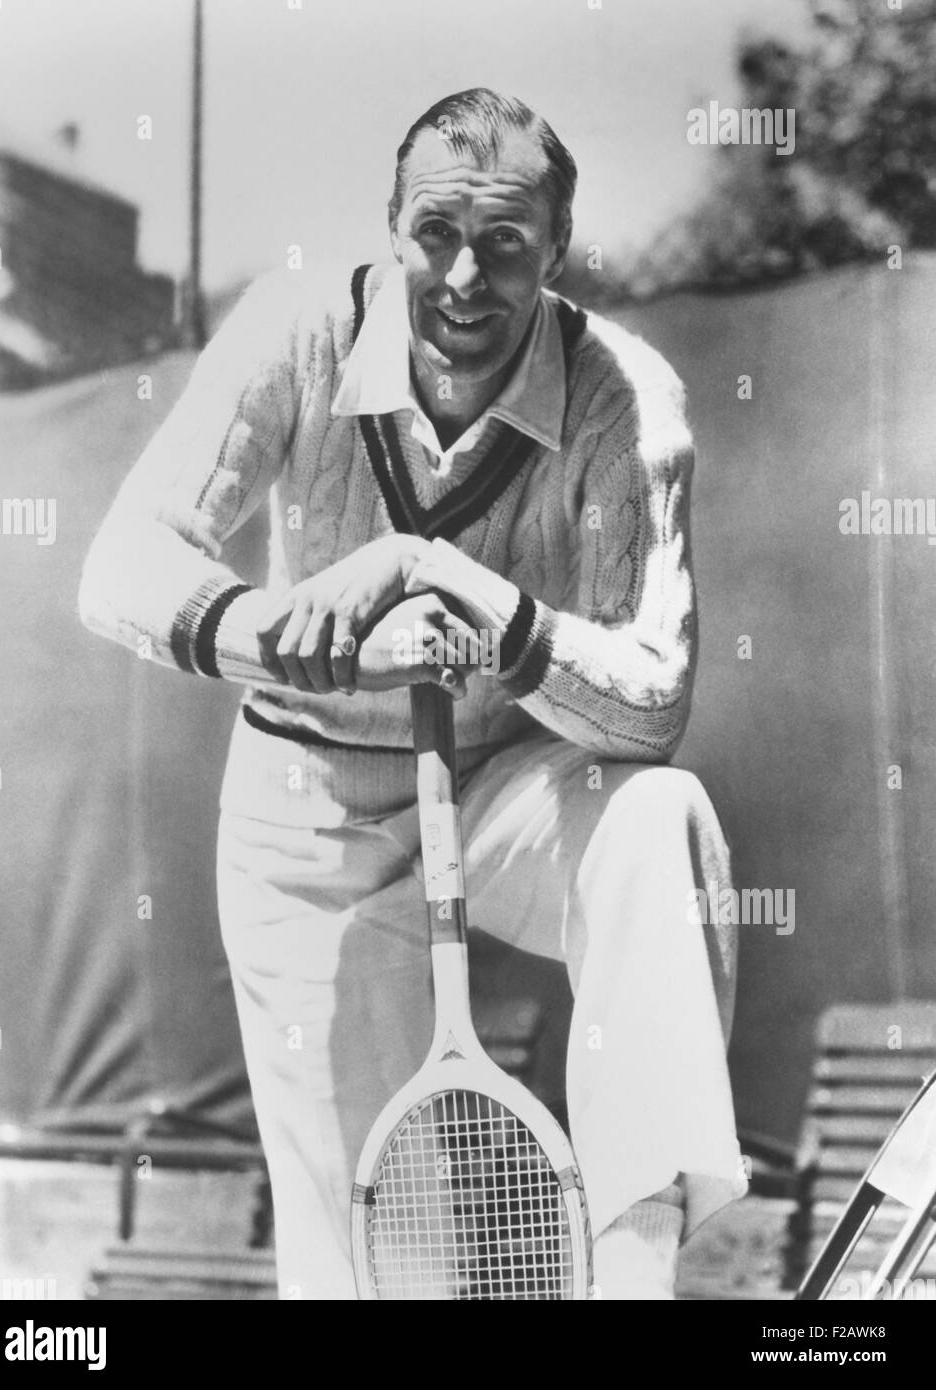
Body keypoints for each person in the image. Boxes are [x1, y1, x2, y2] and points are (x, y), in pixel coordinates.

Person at [79, 87, 746, 1300]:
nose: (464, 278)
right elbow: (120, 566)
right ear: (388, 230)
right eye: (436, 233)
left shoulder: (625, 397)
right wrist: (288, 633)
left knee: (659, 820)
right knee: (379, 1273)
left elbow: (651, 703)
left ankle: (637, 1271)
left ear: (555, 247)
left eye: (505, 243)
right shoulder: (294, 327)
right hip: (306, 817)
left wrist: (438, 574)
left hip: (505, 784)